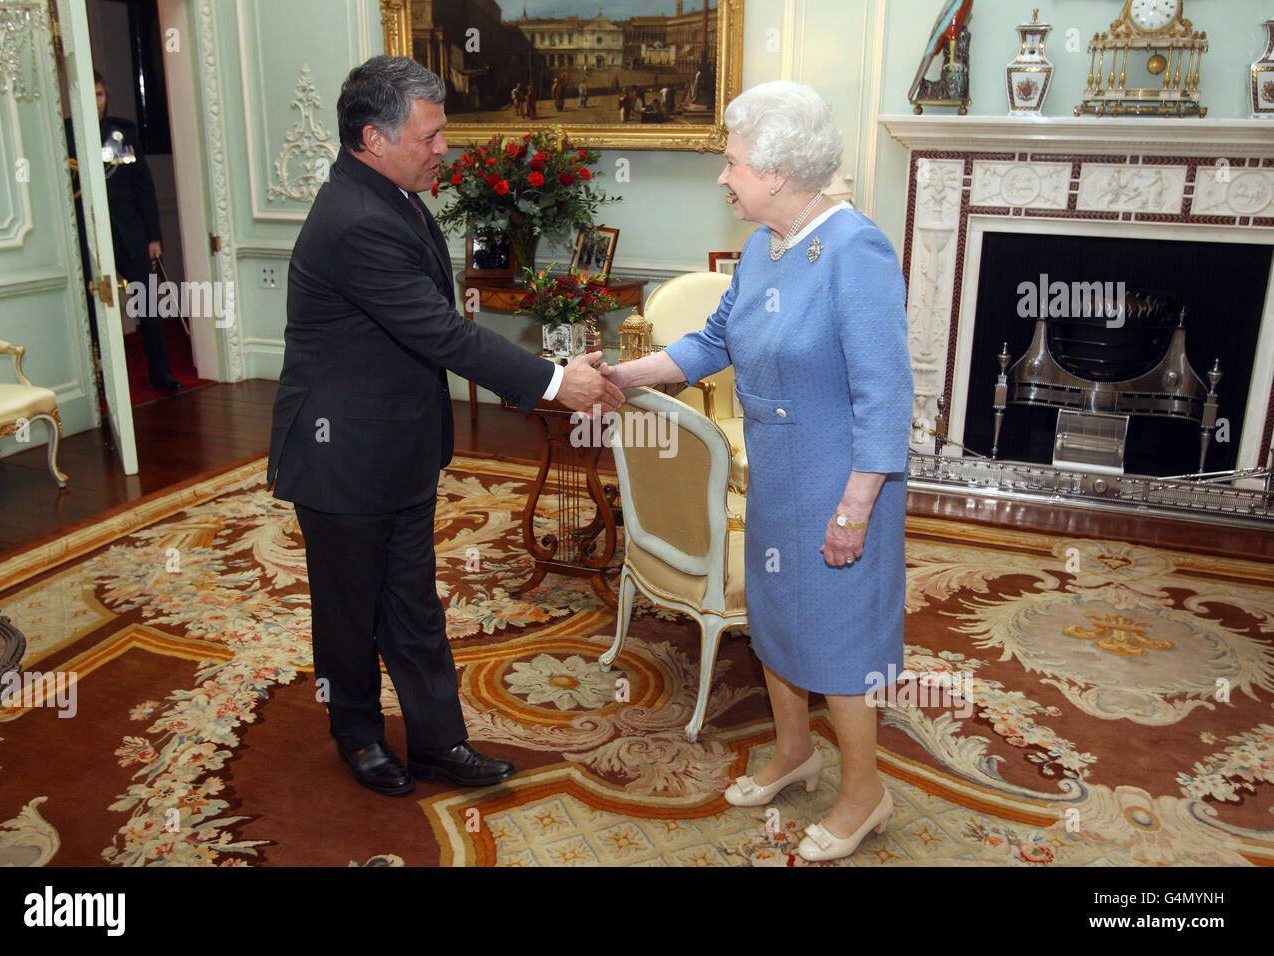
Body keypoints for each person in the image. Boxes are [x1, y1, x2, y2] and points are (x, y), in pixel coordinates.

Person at [267, 56, 623, 797]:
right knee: (349, 612)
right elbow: (442, 333)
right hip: (341, 455)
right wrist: (556, 382)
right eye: (429, 136)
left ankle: (437, 742)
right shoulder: (355, 219)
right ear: (373, 138)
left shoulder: (393, 195)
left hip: (394, 444)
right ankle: (357, 736)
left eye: (442, 132)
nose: (444, 150)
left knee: (412, 603)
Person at [599, 80, 913, 861]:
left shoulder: (856, 250)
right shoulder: (762, 246)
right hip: (776, 476)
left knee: (840, 641)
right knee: (777, 621)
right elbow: (714, 341)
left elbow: (886, 396)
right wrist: (621, 375)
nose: (723, 176)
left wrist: (855, 511)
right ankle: (795, 752)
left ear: (775, 171)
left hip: (844, 484)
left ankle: (864, 793)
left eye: (732, 162)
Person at [73, 72, 182, 392]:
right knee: (92, 310)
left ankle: (160, 373)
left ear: (106, 98)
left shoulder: (122, 134)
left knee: (148, 304)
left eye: (100, 94)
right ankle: (98, 378)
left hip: (130, 234)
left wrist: (154, 237)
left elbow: (143, 187)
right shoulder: (66, 134)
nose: (96, 101)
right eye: (90, 94)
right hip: (89, 237)